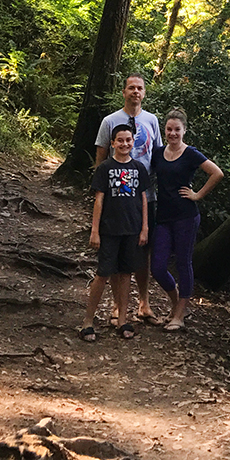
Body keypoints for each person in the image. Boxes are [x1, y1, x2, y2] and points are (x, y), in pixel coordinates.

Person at [95, 72, 162, 324]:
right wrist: (98, 191)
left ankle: (144, 303)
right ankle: (117, 305)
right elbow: (101, 156)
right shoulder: (110, 121)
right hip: (115, 197)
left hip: (145, 196)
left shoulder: (152, 120)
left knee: (142, 250)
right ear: (123, 92)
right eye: (131, 88)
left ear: (144, 93)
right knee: (117, 248)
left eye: (140, 88)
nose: (135, 92)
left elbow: (157, 156)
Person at [150, 108, 223, 332]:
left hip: (185, 216)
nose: (173, 133)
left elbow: (217, 173)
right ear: (165, 130)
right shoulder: (158, 152)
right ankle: (176, 304)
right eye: (169, 129)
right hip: (162, 216)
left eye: (177, 130)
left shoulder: (190, 153)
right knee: (158, 267)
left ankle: (180, 314)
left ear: (184, 131)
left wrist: (197, 194)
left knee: (183, 262)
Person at [82, 124, 149, 342]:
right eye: (120, 140)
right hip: (109, 230)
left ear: (133, 142)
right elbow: (99, 200)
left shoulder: (139, 168)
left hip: (132, 230)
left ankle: (122, 319)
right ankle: (88, 322)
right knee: (103, 274)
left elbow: (143, 199)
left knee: (125, 274)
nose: (124, 144)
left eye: (128, 140)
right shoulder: (105, 168)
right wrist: (95, 230)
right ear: (112, 143)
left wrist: (144, 228)